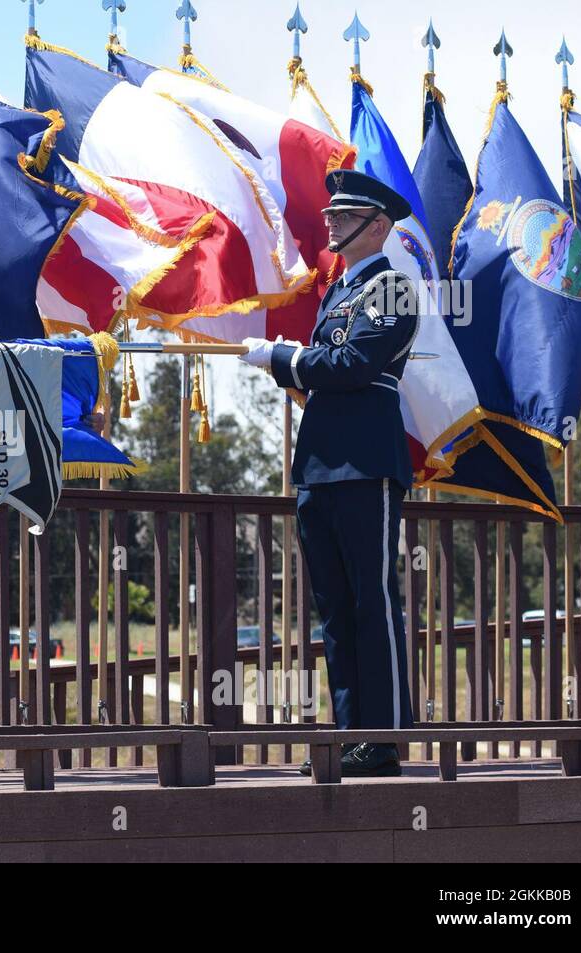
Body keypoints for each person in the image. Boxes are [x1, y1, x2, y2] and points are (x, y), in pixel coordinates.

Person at [239, 169, 419, 778]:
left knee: (373, 601)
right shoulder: (340, 292)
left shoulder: (392, 288)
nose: (332, 221)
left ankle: (384, 738)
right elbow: (329, 369)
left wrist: (286, 357)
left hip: (366, 464)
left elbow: (353, 363)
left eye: (346, 215)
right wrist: (288, 364)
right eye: (333, 214)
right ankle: (352, 735)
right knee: (336, 608)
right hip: (321, 463)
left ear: (379, 225)